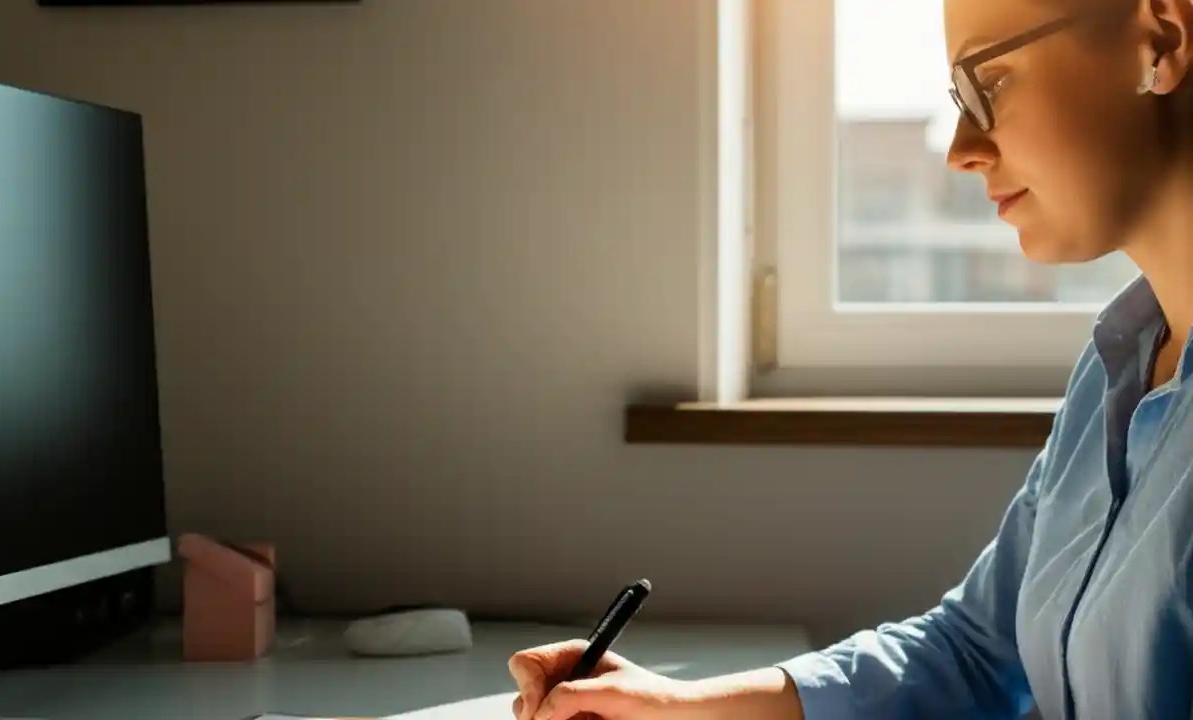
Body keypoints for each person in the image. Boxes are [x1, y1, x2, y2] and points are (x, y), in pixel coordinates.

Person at [507, 0, 1193, 717]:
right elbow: (977, 651)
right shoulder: (1117, 366)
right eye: (960, 99)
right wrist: (676, 707)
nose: (962, 146)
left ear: (1163, 38)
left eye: (989, 84)